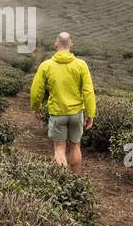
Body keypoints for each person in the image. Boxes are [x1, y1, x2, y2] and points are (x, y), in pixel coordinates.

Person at [28, 31, 96, 173]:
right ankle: (75, 181)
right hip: (76, 113)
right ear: (71, 45)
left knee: (59, 148)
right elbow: (88, 91)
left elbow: (36, 90)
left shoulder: (46, 65)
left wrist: (36, 107)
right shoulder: (81, 65)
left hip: (57, 113)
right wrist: (90, 114)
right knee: (75, 145)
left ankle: (63, 182)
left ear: (56, 44)